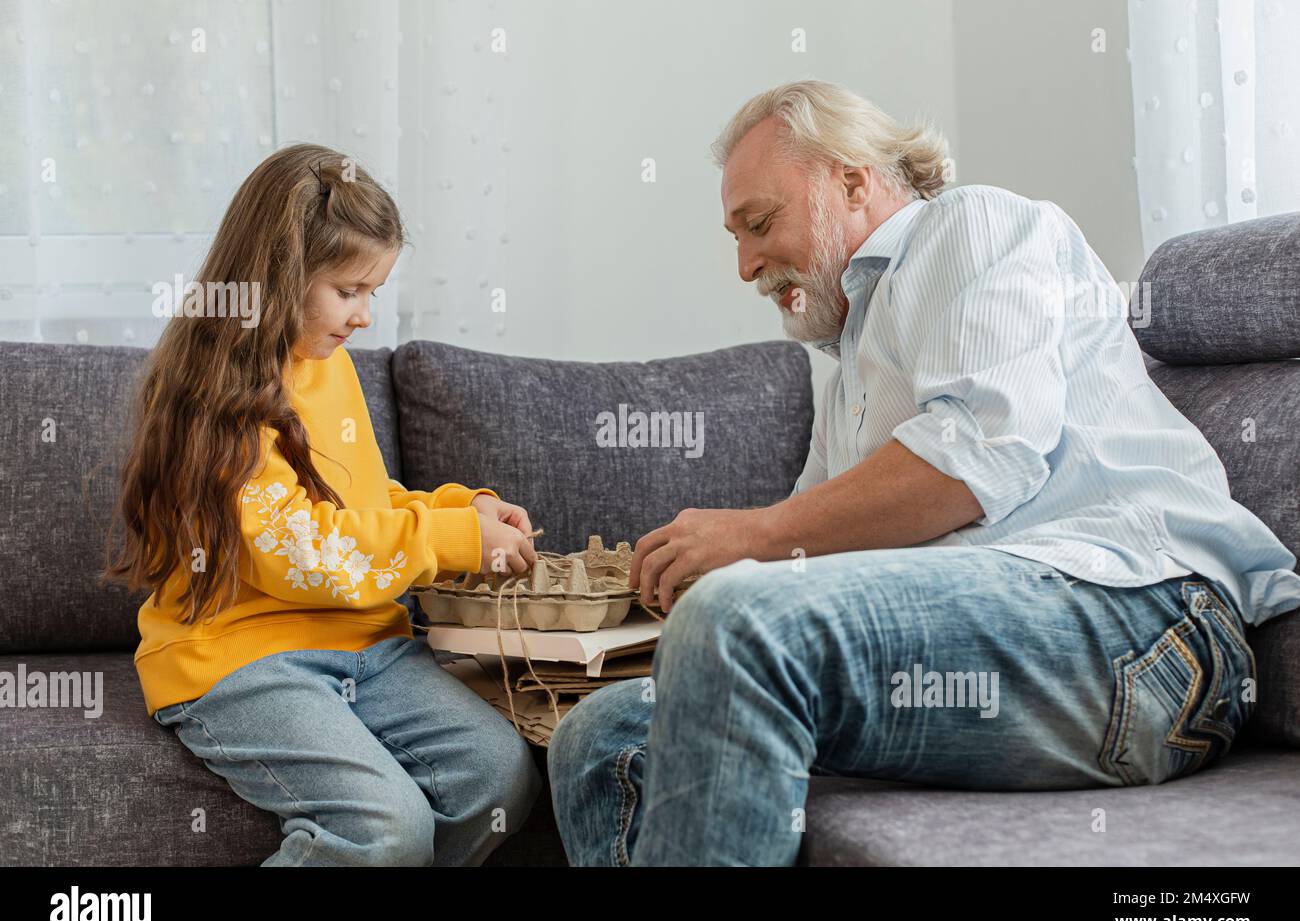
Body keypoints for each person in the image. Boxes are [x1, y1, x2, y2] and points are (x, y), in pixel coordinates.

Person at [547, 80, 1300, 866]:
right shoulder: (850, 375)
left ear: (851, 177)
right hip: (1018, 636)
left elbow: (981, 453)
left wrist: (754, 540)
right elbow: (805, 559)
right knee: (601, 735)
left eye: (759, 224)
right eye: (733, 238)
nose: (745, 266)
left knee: (740, 623)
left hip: (1137, 621)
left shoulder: (971, 225)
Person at [106, 144, 540, 866]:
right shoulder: (213, 395)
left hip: (368, 645)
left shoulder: (327, 363)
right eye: (349, 290)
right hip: (241, 659)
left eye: (374, 292)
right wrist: (452, 537)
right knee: (386, 829)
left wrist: (465, 508)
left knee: (496, 778)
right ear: (279, 278)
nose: (366, 316)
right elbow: (312, 554)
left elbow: (355, 503)